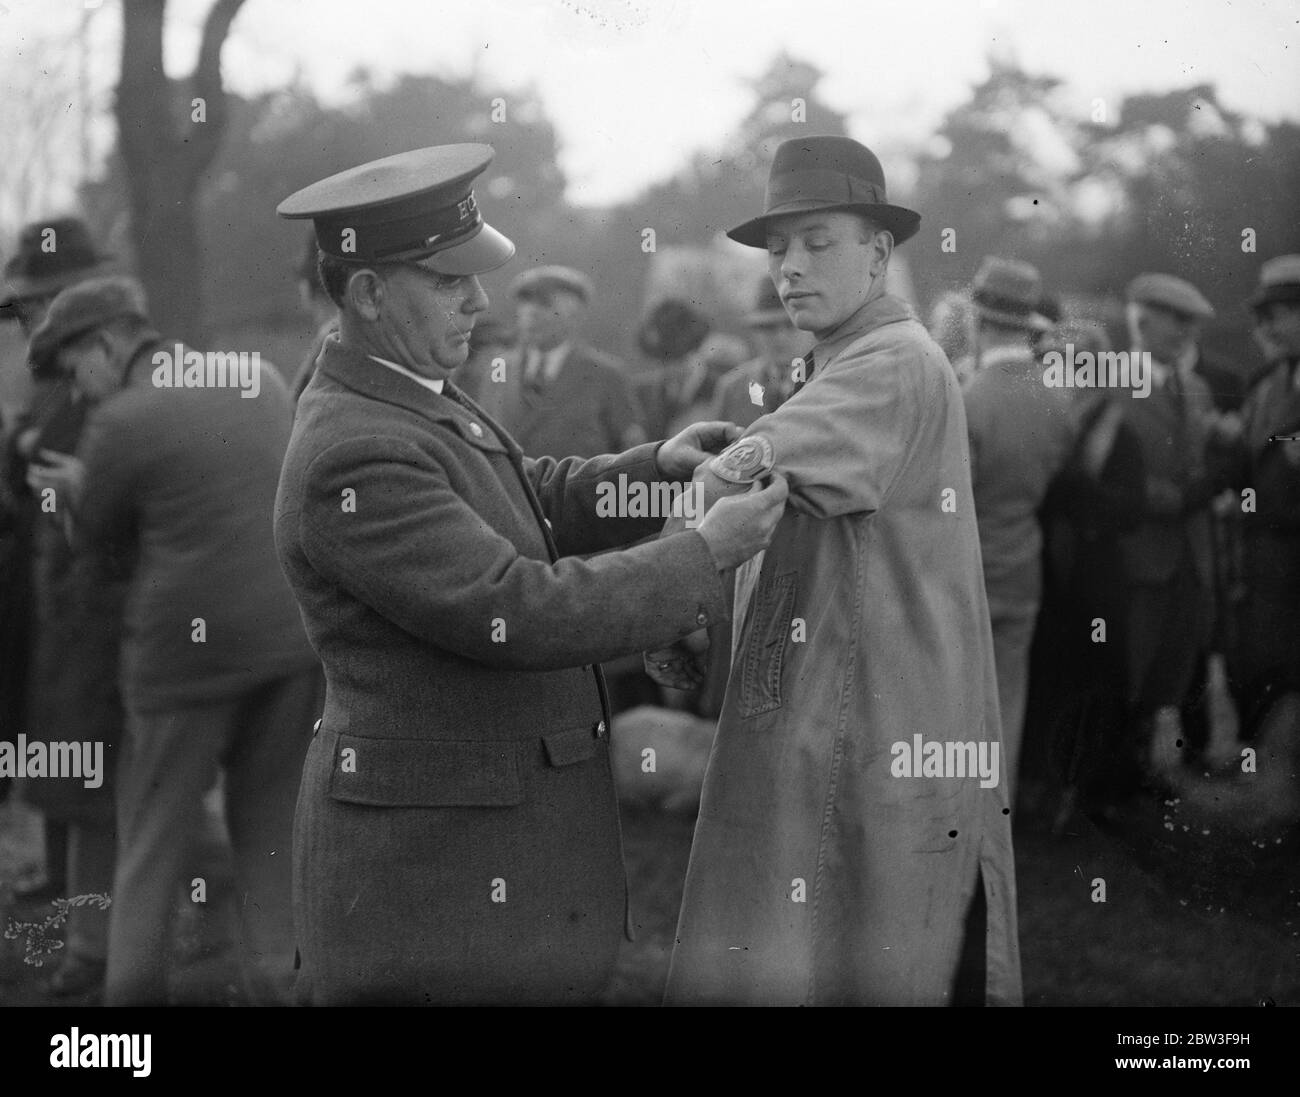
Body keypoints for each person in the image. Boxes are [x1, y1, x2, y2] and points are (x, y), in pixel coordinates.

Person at [274, 143, 787, 1005]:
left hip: (478, 864)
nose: (480, 298)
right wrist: (707, 553)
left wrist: (651, 464)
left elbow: (524, 493)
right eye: (448, 280)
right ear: (367, 293)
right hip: (440, 891)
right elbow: (516, 609)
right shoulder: (356, 447)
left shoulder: (406, 389)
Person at [659, 136, 1021, 1006]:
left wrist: (668, 602)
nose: (789, 267)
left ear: (879, 253)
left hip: (872, 720)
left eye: (818, 241)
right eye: (779, 248)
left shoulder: (890, 361)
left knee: (864, 947)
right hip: (857, 709)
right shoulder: (846, 359)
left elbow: (739, 474)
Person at [25, 275, 322, 1006]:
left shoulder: (123, 419)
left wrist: (73, 492)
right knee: (270, 832)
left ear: (105, 345)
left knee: (151, 841)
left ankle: (128, 1014)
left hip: (183, 662)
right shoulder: (258, 376)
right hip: (290, 642)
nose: (78, 392)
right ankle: (282, 989)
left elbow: (100, 547)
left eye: (74, 371)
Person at [0, 217, 120, 995]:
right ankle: (62, 892)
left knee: (83, 749)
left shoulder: (92, 374)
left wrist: (18, 454)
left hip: (82, 591)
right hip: (38, 588)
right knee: (46, 734)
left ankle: (93, 931)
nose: (28, 320)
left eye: (36, 303)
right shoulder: (48, 376)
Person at [961, 257, 1075, 801]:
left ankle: (952, 835)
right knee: (1008, 699)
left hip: (966, 573)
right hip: (1022, 570)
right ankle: (995, 825)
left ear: (978, 323)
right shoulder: (1055, 400)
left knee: (956, 707)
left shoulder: (968, 400)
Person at [1119, 274, 1224, 777]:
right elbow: (1106, 472)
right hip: (1137, 557)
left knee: (1174, 669)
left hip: (1188, 556)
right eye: (1176, 321)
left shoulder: (1196, 388)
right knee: (1129, 670)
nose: (1186, 333)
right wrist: (1177, 498)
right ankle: (1118, 777)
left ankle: (1143, 770)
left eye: (1192, 323)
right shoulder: (1111, 383)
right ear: (1140, 320)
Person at [461, 264, 645, 458]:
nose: (531, 313)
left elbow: (632, 452)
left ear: (575, 315)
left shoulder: (606, 375)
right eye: (525, 302)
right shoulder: (498, 368)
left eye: (545, 304)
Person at [712, 276, 811, 429]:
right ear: (754, 333)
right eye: (769, 327)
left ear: (808, 328)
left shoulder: (828, 381)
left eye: (790, 325)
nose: (780, 338)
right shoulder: (732, 389)